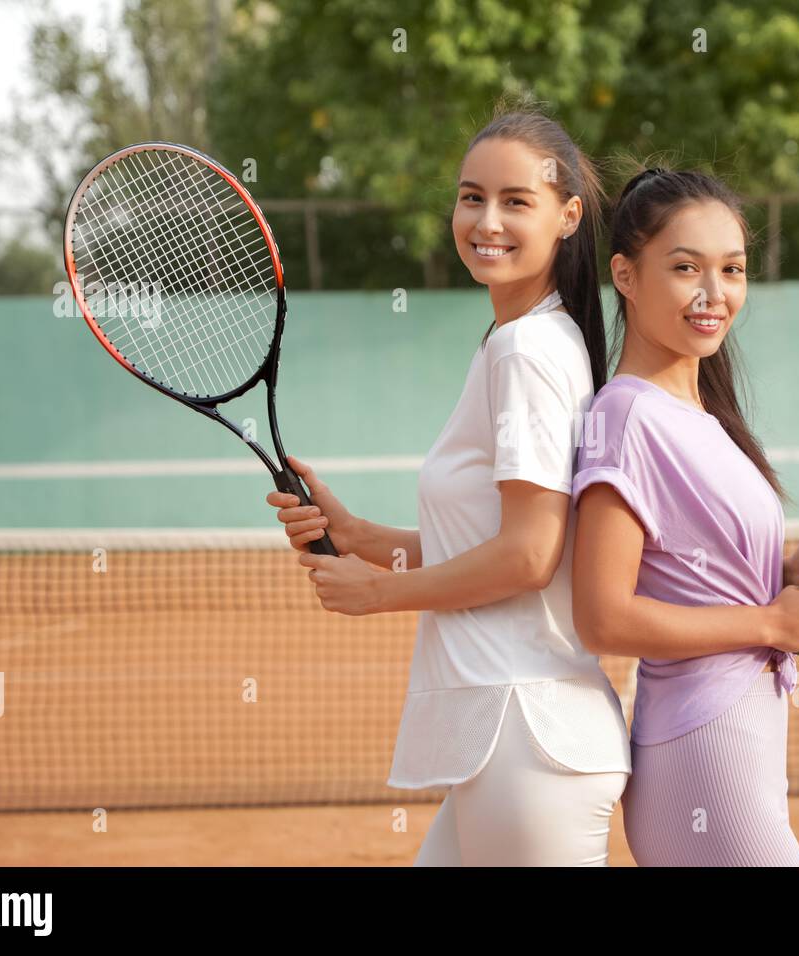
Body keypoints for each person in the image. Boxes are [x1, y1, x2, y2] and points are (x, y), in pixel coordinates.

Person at [267, 102, 630, 866]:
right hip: (514, 734)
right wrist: (362, 537)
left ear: (567, 216)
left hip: (526, 733)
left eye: (514, 201)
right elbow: (493, 543)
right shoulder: (525, 339)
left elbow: (529, 557)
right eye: (472, 197)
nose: (486, 220)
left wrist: (377, 594)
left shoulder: (528, 351)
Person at [570, 167, 799, 866]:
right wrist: (770, 622)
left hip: (739, 736)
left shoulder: (704, 415)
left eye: (732, 269)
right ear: (626, 276)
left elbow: (692, 569)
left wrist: (792, 567)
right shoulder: (625, 413)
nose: (715, 294)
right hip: (703, 748)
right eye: (685, 268)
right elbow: (602, 617)